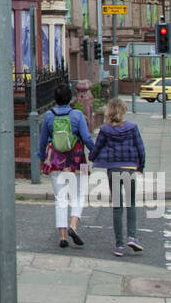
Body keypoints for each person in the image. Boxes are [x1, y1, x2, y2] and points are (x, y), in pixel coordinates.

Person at [37, 83, 96, 248]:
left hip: (55, 161)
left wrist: (42, 158)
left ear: (55, 99)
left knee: (60, 199)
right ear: (70, 98)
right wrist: (95, 153)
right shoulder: (77, 115)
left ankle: (62, 236)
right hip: (78, 161)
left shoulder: (49, 116)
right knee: (79, 195)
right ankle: (73, 226)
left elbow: (42, 142)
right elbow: (87, 138)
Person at [90, 97, 147, 257]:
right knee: (131, 204)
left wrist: (92, 158)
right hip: (129, 169)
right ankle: (132, 237)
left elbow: (98, 147)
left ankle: (119, 245)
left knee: (117, 207)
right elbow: (140, 148)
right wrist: (140, 166)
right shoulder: (132, 127)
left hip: (113, 169)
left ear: (109, 112)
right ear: (123, 111)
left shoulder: (105, 129)